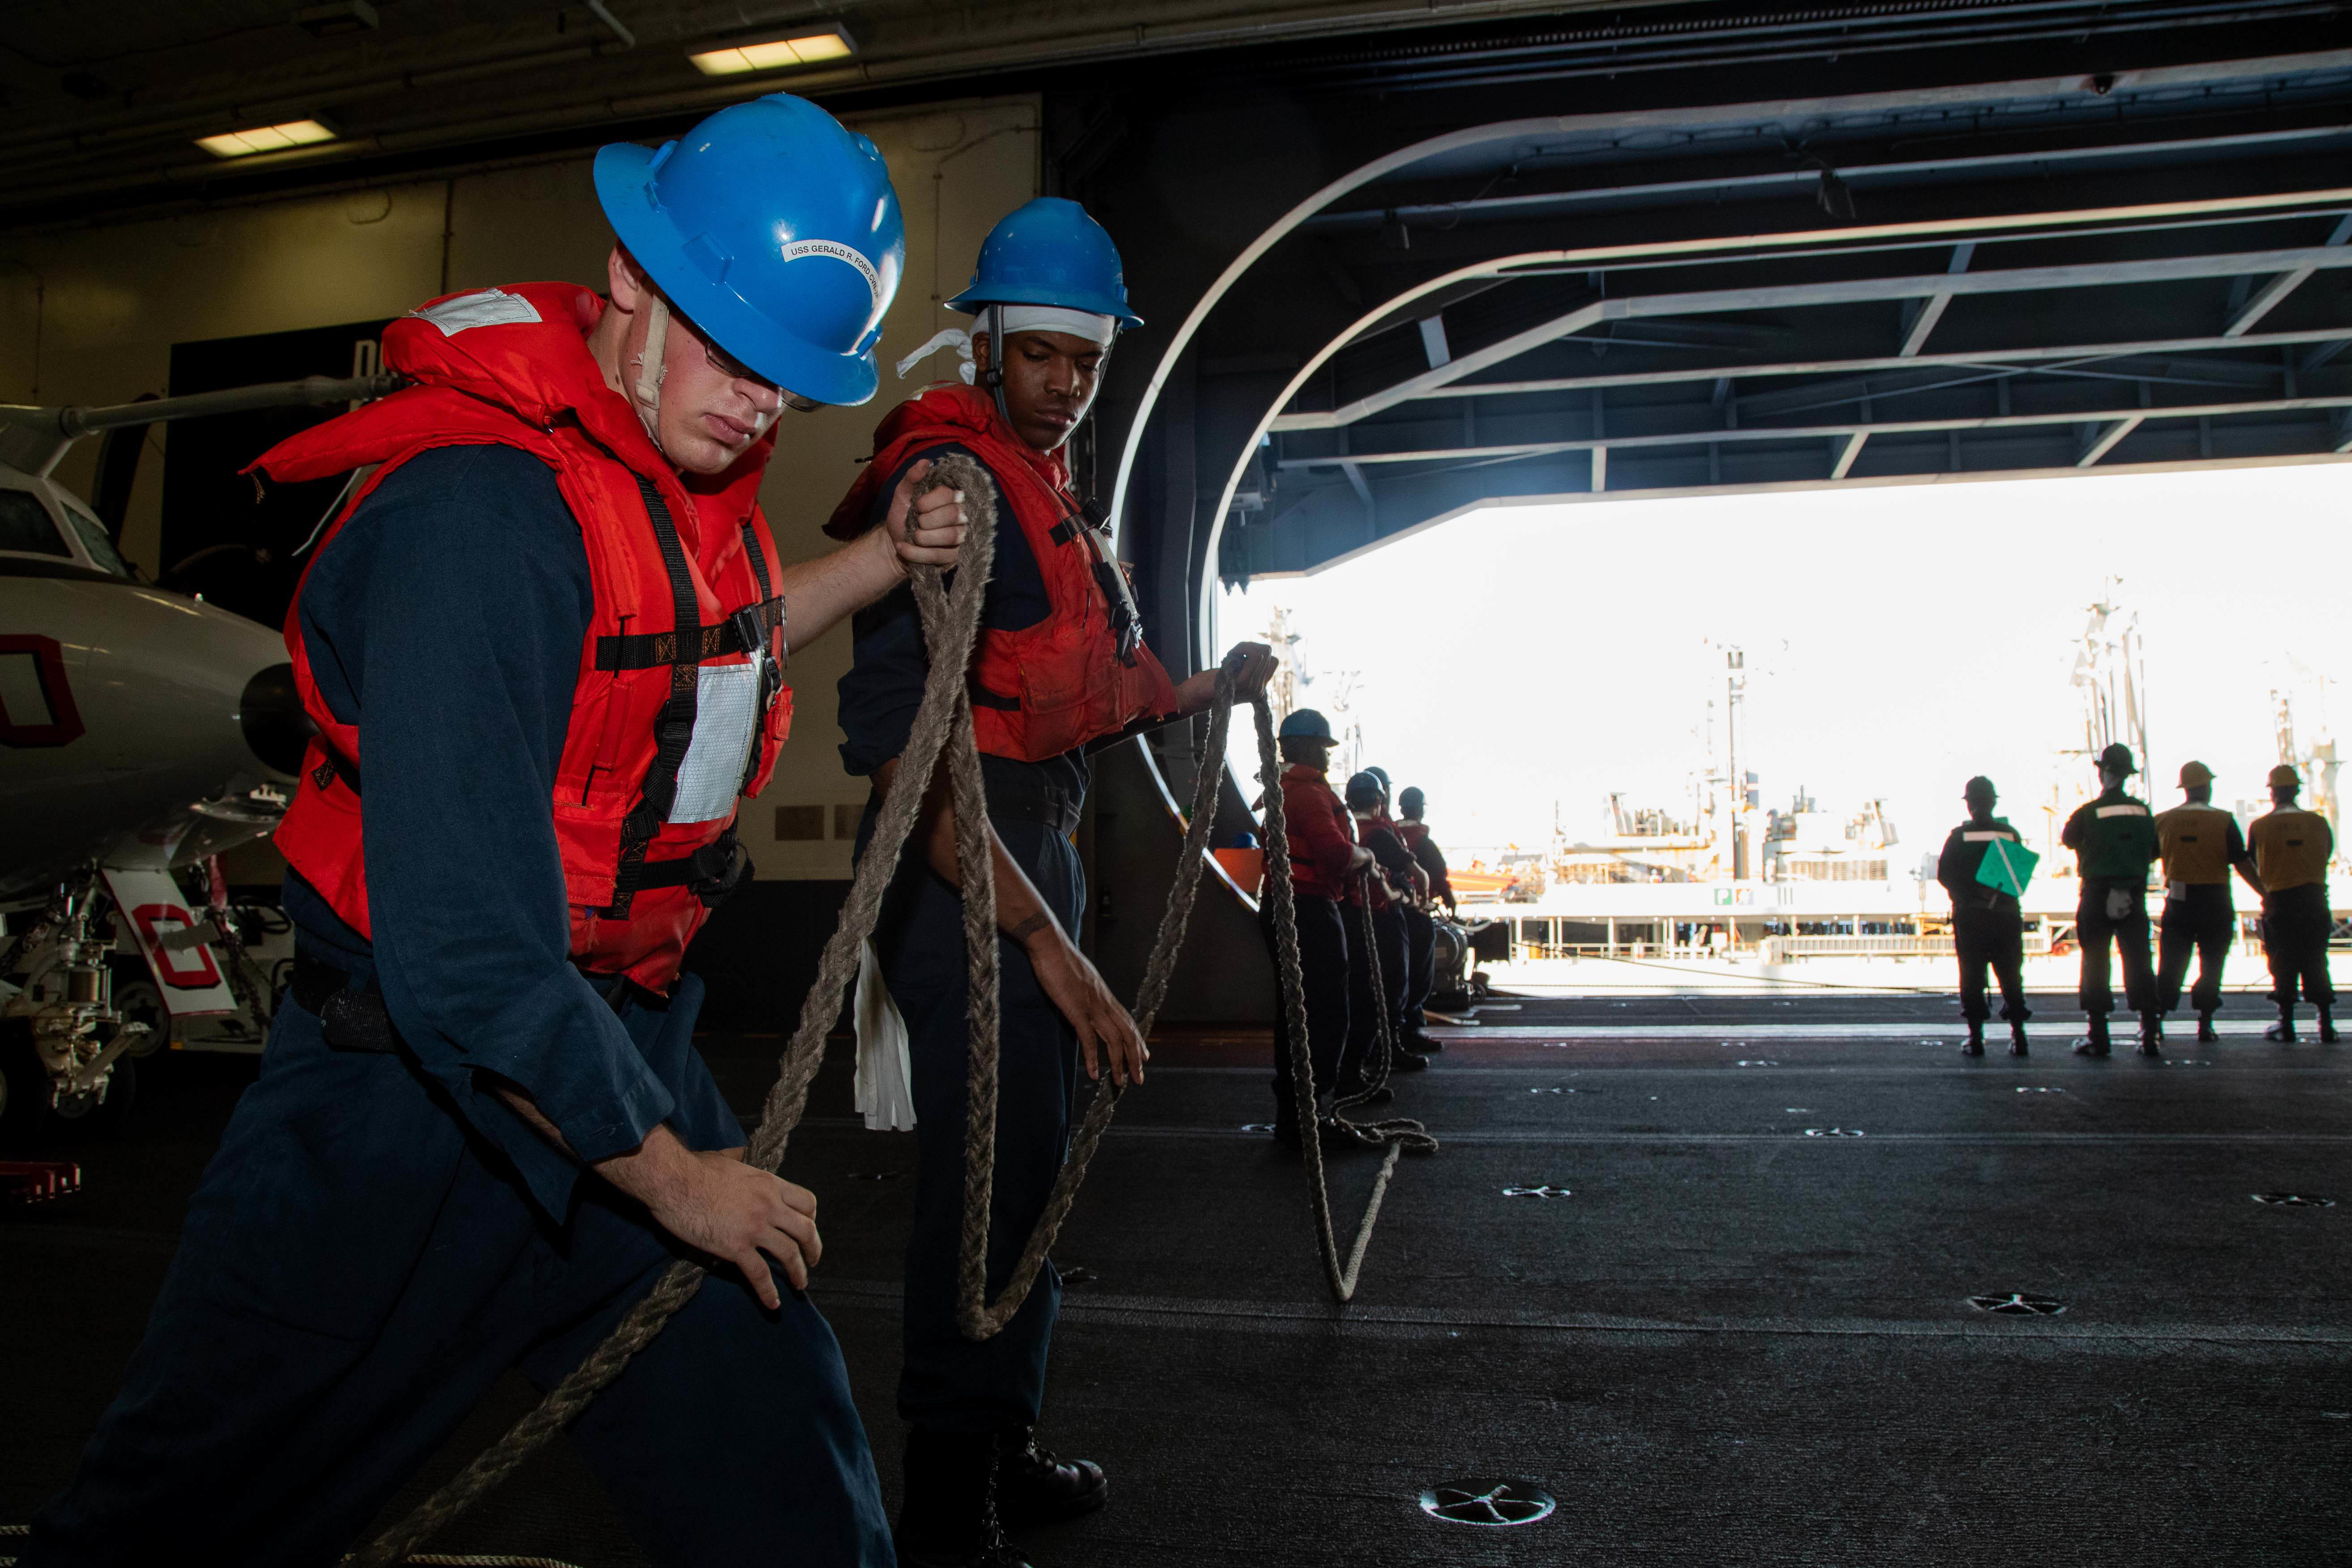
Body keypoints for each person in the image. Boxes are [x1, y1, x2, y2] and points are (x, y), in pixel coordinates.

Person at [22, 97, 943, 1568]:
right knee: (171, 1535)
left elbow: (712, 639)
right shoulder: (479, 518)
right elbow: (462, 953)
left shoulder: (672, 485)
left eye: (786, 373)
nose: (758, 400)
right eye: (727, 344)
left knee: (799, 1511)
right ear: (629, 282)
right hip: (399, 1110)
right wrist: (675, 1176)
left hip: (611, 1055)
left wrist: (884, 560)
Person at [826, 196, 1276, 1568]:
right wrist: (1049, 949)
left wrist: (1209, 684)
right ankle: (947, 1505)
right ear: (990, 345)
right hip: (965, 853)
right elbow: (912, 759)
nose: (1067, 386)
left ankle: (1002, 1449)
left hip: (1040, 836)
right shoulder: (947, 495)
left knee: (1029, 1183)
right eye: (1042, 358)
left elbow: (1078, 689)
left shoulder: (1052, 497)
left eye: (1086, 362)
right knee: (983, 1194)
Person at [1263, 707, 1374, 1146]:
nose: (1329, 759)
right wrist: (1365, 858)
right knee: (1323, 1012)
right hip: (1307, 907)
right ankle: (1306, 1118)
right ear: (1306, 747)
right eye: (1324, 749)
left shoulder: (1283, 790)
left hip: (1286, 905)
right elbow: (1334, 855)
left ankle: (1297, 1117)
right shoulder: (1308, 795)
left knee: (1296, 1013)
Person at [2060, 742, 2163, 1057]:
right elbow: (2156, 850)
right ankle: (2148, 1033)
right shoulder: (2143, 812)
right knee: (2139, 961)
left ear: (2104, 772)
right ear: (2128, 775)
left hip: (2096, 893)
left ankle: (2098, 1034)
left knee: (2095, 962)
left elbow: (2068, 839)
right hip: (2132, 894)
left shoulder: (2088, 813)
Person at [2154, 760, 2262, 1043]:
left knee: (2171, 966)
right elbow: (2242, 864)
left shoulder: (2163, 820)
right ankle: (2205, 1024)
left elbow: (2144, 858)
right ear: (2207, 787)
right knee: (2212, 965)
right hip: (2215, 899)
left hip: (2179, 900)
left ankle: (2155, 1025)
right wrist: (2266, 894)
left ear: (2185, 789)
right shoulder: (2224, 820)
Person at [1934, 776, 2032, 1057]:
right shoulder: (2009, 833)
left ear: (1970, 805)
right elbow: (2018, 874)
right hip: (2006, 915)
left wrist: (1968, 896)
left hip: (1971, 918)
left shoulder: (1958, 836)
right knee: (2012, 975)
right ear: (1993, 802)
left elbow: (1945, 875)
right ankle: (2019, 1036)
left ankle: (1976, 1039)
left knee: (1973, 976)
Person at [1343, 770, 1427, 1090]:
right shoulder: (1380, 835)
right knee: (1394, 984)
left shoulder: (1348, 828)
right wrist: (1415, 899)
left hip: (1353, 916)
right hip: (1382, 914)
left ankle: (1368, 1054)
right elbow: (1418, 874)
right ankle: (1387, 1049)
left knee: (1363, 989)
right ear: (1381, 799)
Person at [2249, 763, 2337, 1042]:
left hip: (2280, 902)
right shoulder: (2318, 822)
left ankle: (2286, 1024)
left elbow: (2251, 860)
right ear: (2297, 790)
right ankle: (2326, 1024)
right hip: (2313, 899)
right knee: (2316, 959)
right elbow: (2327, 852)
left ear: (2273, 793)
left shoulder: (2260, 826)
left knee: (2282, 961)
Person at [1395, 784, 1455, 1049]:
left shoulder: (1390, 834)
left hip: (1391, 915)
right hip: (1418, 914)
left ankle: (1393, 1032)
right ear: (1421, 810)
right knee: (1419, 974)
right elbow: (1438, 876)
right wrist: (1451, 901)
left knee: (1395, 974)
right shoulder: (1424, 842)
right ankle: (1410, 1031)